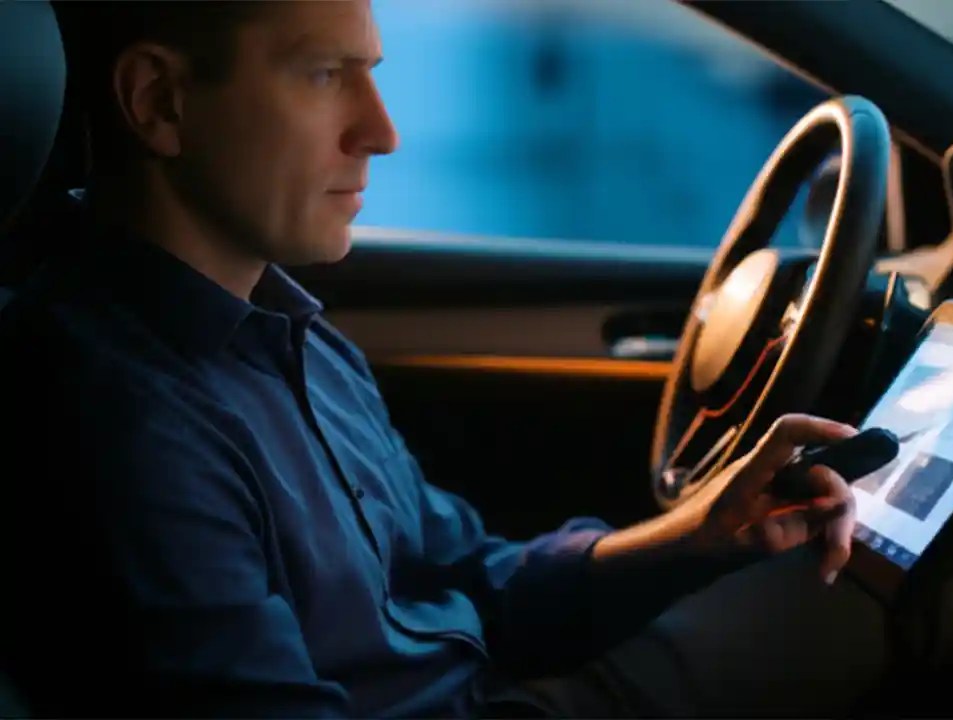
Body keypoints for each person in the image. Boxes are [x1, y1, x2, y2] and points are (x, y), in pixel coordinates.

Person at [0, 2, 891, 717]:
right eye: (323, 76)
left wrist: (698, 532)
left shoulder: (292, 336)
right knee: (887, 611)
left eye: (372, 78)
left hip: (494, 682)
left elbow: (473, 576)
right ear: (159, 101)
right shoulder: (118, 418)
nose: (381, 132)